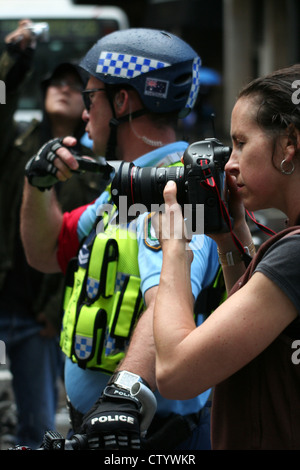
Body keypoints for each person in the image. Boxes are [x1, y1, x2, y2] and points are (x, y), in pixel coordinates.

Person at [20, 28, 220, 450]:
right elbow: (46, 251)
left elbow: (168, 298)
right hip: (110, 429)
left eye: (90, 98)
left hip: (152, 435)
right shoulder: (128, 186)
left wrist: (124, 392)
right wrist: (36, 187)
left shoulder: (178, 187)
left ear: (123, 102)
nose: (84, 113)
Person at [153, 63, 300, 450]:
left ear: (289, 144)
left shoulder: (295, 254)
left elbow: (175, 373)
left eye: (240, 142)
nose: (230, 163)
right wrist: (230, 241)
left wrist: (174, 248)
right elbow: (254, 339)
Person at [0, 19, 104, 448]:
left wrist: (57, 308)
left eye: (73, 83)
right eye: (54, 82)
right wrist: (14, 60)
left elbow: (92, 247)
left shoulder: (97, 169)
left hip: (37, 318)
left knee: (40, 427)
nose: (63, 87)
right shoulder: (16, 144)